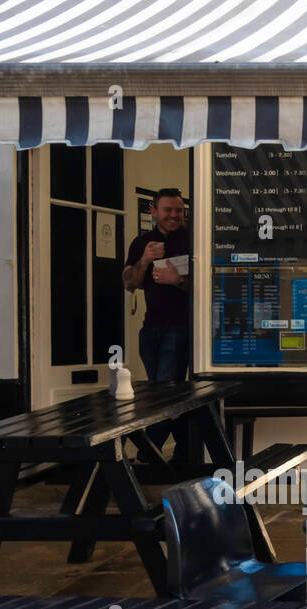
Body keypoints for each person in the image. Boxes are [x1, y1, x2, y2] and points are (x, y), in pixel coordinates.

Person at [123, 188, 189, 453]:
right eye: (168, 210)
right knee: (167, 394)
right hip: (150, 329)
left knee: (163, 391)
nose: (174, 215)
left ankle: (147, 454)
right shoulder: (143, 243)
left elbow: (212, 285)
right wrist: (144, 260)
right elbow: (129, 283)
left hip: (182, 326)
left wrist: (179, 281)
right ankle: (185, 453)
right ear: (154, 212)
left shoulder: (193, 239)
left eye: (179, 210)